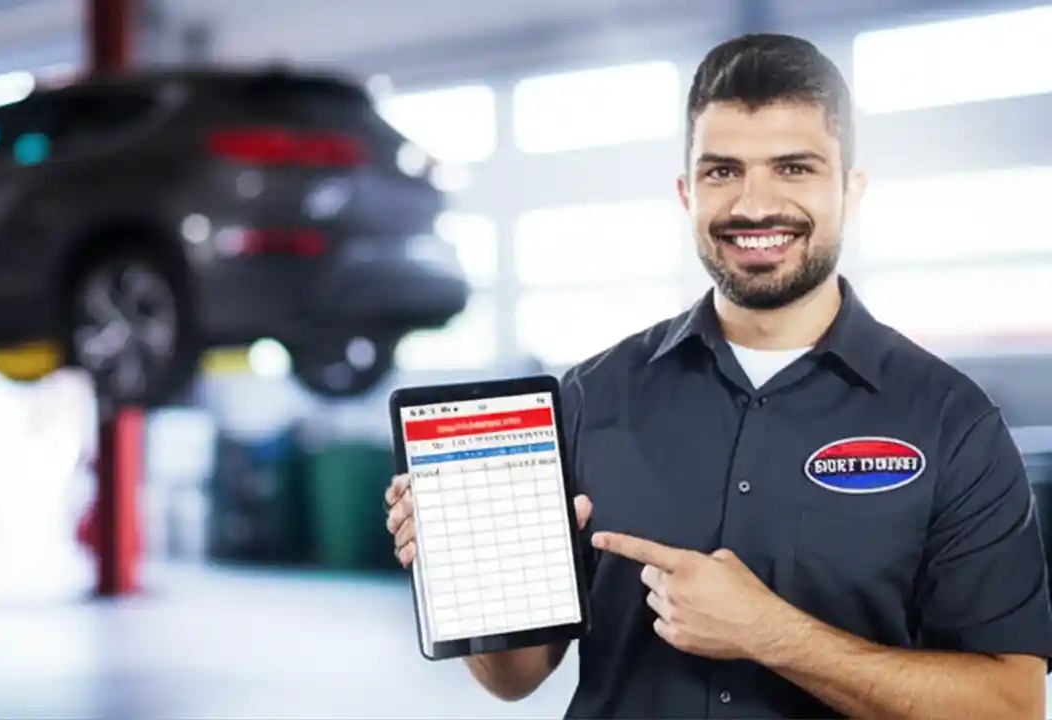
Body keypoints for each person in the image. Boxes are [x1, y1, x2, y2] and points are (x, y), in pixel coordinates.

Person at [384, 32, 1052, 718]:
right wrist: (469, 569)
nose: (753, 205)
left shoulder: (949, 422)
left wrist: (774, 636)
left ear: (850, 189)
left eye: (793, 168)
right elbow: (513, 678)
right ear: (686, 191)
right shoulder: (590, 397)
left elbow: (1010, 705)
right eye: (721, 171)